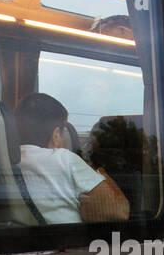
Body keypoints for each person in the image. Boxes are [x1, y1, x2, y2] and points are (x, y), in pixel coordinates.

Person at [15, 93, 129, 223]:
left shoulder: (8, 160)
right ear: (56, 134)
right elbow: (118, 213)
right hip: (68, 241)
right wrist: (97, 170)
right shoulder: (63, 159)